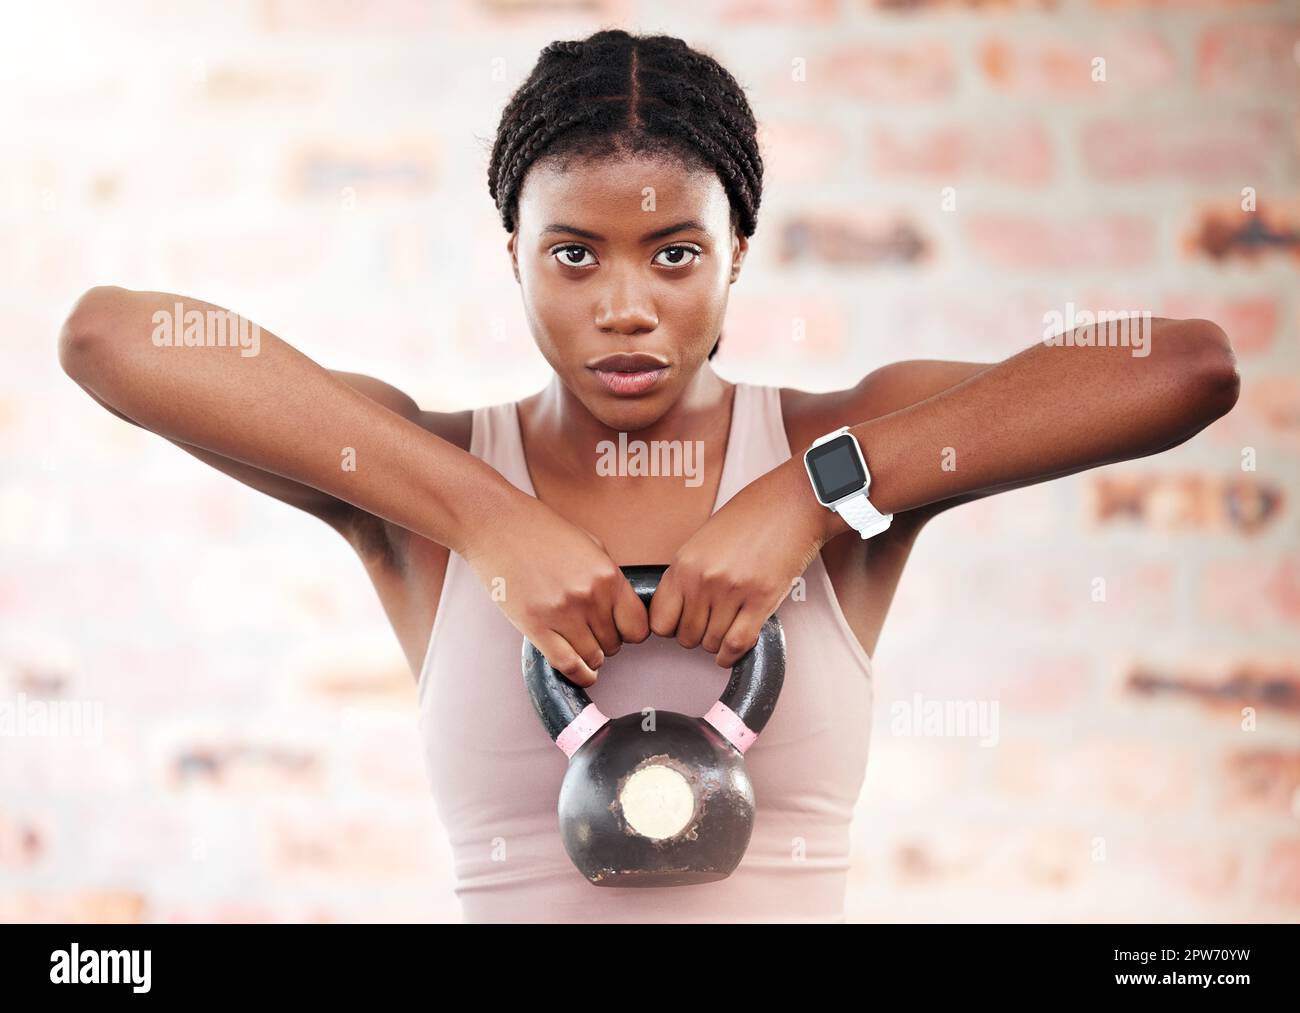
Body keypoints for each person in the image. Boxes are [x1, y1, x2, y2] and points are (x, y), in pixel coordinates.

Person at [57, 28, 1240, 923]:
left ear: (737, 254)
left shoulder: (841, 449)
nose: (625, 307)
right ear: (514, 254)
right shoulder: (417, 483)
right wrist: (487, 515)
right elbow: (111, 338)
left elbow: (1181, 367)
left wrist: (807, 495)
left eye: (676, 253)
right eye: (574, 255)